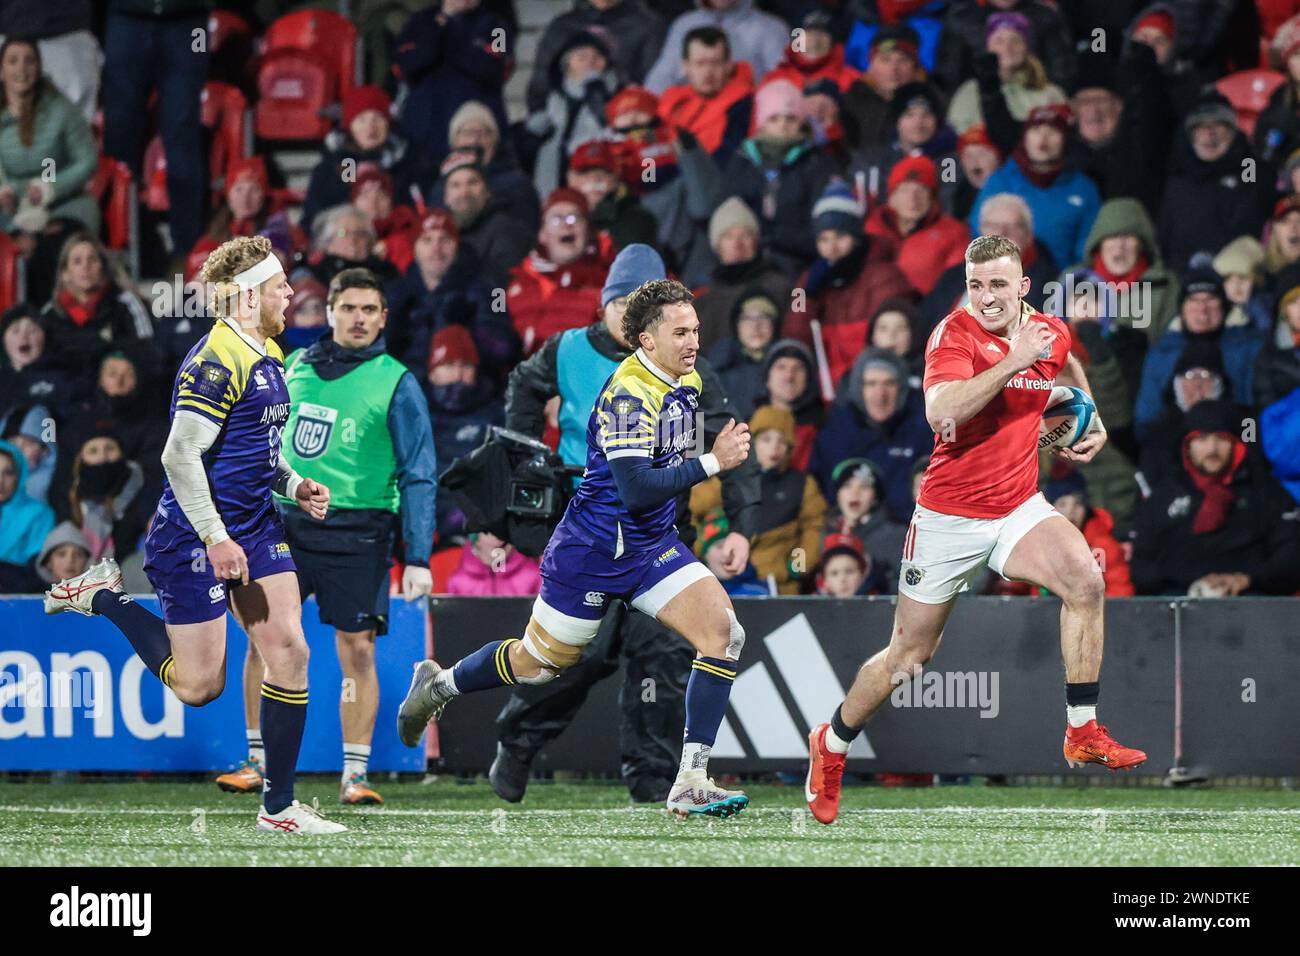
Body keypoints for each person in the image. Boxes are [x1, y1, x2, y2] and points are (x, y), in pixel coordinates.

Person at [804, 235, 1147, 827]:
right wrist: (1012, 359)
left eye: (997, 284)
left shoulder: (1047, 330)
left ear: (1023, 288)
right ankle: (831, 744)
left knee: (1087, 583)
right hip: (947, 516)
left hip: (1018, 505)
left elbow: (1067, 360)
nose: (986, 296)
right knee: (910, 655)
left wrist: (1091, 417)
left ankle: (1081, 729)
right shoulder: (952, 336)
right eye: (976, 284)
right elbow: (942, 412)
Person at [397, 278, 757, 819]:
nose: (692, 342)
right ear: (646, 341)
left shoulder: (686, 378)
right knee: (538, 665)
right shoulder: (628, 394)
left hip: (651, 547)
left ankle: (691, 779)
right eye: (680, 332)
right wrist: (714, 462)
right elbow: (636, 489)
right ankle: (440, 684)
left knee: (724, 634)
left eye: (696, 331)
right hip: (591, 553)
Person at [42, 235, 347, 835]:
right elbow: (179, 458)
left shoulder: (269, 352)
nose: (290, 291)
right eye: (279, 283)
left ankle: (279, 808)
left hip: (254, 525)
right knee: (199, 686)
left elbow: (252, 451)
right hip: (191, 538)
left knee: (289, 648)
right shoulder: (216, 360)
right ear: (246, 297)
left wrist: (293, 483)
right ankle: (104, 596)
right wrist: (213, 538)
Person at [493, 245, 759, 804]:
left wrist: (741, 523)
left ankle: (659, 778)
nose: (626, 311)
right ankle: (514, 742)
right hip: (592, 531)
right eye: (619, 302)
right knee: (570, 661)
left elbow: (726, 443)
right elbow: (523, 390)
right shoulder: (569, 353)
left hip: (658, 533)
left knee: (666, 657)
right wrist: (524, 457)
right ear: (610, 310)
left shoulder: (691, 373)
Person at [214, 268, 437, 807]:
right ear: (329, 311)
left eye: (370, 310)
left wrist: (419, 554)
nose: (358, 319)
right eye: (349, 308)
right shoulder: (292, 366)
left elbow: (420, 473)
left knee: (356, 649)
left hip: (360, 529)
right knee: (264, 637)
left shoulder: (396, 381)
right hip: (285, 521)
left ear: (383, 317)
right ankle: (255, 762)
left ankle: (353, 775)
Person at [1130, 399, 1300, 596]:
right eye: (1202, 439)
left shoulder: (1267, 494)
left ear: (1236, 445)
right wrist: (1197, 582)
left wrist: (1245, 579)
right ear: (1187, 446)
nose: (1212, 449)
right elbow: (1141, 570)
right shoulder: (1162, 499)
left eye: (1221, 438)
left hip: (1252, 603)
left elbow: (1291, 560)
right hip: (1177, 605)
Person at [783, 180, 915, 389]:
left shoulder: (883, 276)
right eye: (823, 240)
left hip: (874, 388)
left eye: (840, 237)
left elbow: (893, 340)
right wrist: (809, 296)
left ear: (856, 238)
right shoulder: (807, 283)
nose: (832, 248)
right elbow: (794, 340)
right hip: (827, 393)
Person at [0, 37, 99, 304]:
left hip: (63, 205)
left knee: (51, 249)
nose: (22, 68)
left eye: (29, 60)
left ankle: (51, 320)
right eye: (13, 60)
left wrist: (51, 187)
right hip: (8, 210)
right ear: (1, 70)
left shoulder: (61, 110)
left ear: (39, 67)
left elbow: (88, 160)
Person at [723, 77, 838, 276]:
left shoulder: (817, 164)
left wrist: (772, 236)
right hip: (745, 265)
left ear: (801, 123)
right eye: (774, 118)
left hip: (799, 267)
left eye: (791, 118)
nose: (783, 125)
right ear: (761, 123)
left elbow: (820, 231)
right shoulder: (741, 161)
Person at [969, 104, 1101, 272]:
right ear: (1025, 137)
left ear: (1065, 139)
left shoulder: (1083, 189)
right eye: (1036, 130)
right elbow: (976, 234)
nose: (1043, 139)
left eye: (1053, 131)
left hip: (1061, 286)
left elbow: (1087, 251)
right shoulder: (1000, 182)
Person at [810, 347, 934, 521]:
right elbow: (820, 495)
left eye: (889, 383)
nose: (880, 394)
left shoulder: (923, 428)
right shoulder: (835, 432)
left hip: (908, 532)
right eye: (871, 383)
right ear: (857, 387)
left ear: (903, 388)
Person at [39, 231, 156, 388]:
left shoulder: (126, 303)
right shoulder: (50, 313)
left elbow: (147, 350)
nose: (85, 267)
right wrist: (100, 342)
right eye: (77, 261)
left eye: (92, 259)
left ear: (102, 268)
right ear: (65, 273)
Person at [506, 187, 610, 355]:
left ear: (588, 231)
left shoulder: (610, 279)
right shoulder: (520, 281)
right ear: (542, 234)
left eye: (574, 217)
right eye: (556, 219)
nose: (566, 225)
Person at [692, 196, 791, 351]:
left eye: (745, 235)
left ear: (756, 242)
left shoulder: (780, 287)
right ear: (717, 246)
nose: (737, 244)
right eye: (728, 237)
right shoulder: (702, 296)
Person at [865, 155, 969, 296]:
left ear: (932, 197)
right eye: (904, 190)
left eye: (921, 189)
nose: (912, 198)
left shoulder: (953, 233)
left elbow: (954, 287)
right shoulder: (872, 229)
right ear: (891, 197)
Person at [656, 26, 756, 166]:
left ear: (728, 65)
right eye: (700, 64)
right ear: (685, 66)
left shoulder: (744, 104)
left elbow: (726, 162)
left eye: (715, 63)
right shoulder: (671, 100)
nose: (708, 73)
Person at [644, 0, 787, 94]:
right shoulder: (684, 25)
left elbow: (785, 83)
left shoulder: (771, 29)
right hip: (691, 116)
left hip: (749, 116)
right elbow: (661, 77)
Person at [822, 455, 907, 593]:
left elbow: (908, 585)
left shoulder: (897, 535)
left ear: (875, 498)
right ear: (838, 495)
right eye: (847, 485)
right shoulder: (824, 532)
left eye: (864, 487)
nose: (855, 492)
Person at [1043, 469, 1134, 597]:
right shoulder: (1039, 542)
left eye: (1078, 504)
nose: (1071, 512)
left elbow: (1120, 592)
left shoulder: (1101, 548)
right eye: (1063, 504)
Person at [707, 288, 779, 420]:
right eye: (747, 318)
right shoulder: (715, 369)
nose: (756, 326)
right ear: (736, 325)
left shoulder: (788, 366)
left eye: (764, 317)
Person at [0, 437, 53, 588]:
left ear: (19, 475)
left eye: (8, 473)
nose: (0, 481)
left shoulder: (39, 514)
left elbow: (37, 574)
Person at [445, 531, 542, 596]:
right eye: (490, 533)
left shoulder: (533, 576)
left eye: (504, 532)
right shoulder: (458, 581)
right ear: (476, 539)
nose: (498, 541)